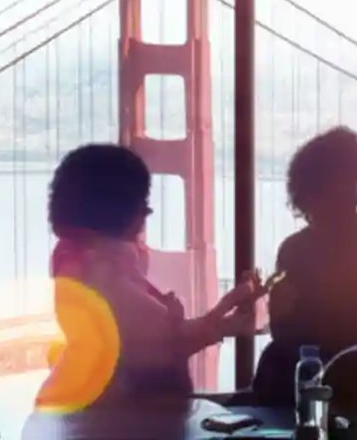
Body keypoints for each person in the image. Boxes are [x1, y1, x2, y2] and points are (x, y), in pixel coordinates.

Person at [36, 144, 264, 413]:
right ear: (117, 206)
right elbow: (158, 347)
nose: (148, 212)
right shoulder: (99, 269)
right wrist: (225, 312)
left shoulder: (90, 261)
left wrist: (227, 320)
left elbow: (153, 342)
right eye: (141, 201)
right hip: (114, 422)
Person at [252, 126, 357, 407]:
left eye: (355, 184)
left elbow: (288, 342)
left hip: (311, 399)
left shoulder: (295, 250)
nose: (355, 195)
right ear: (313, 195)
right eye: (346, 185)